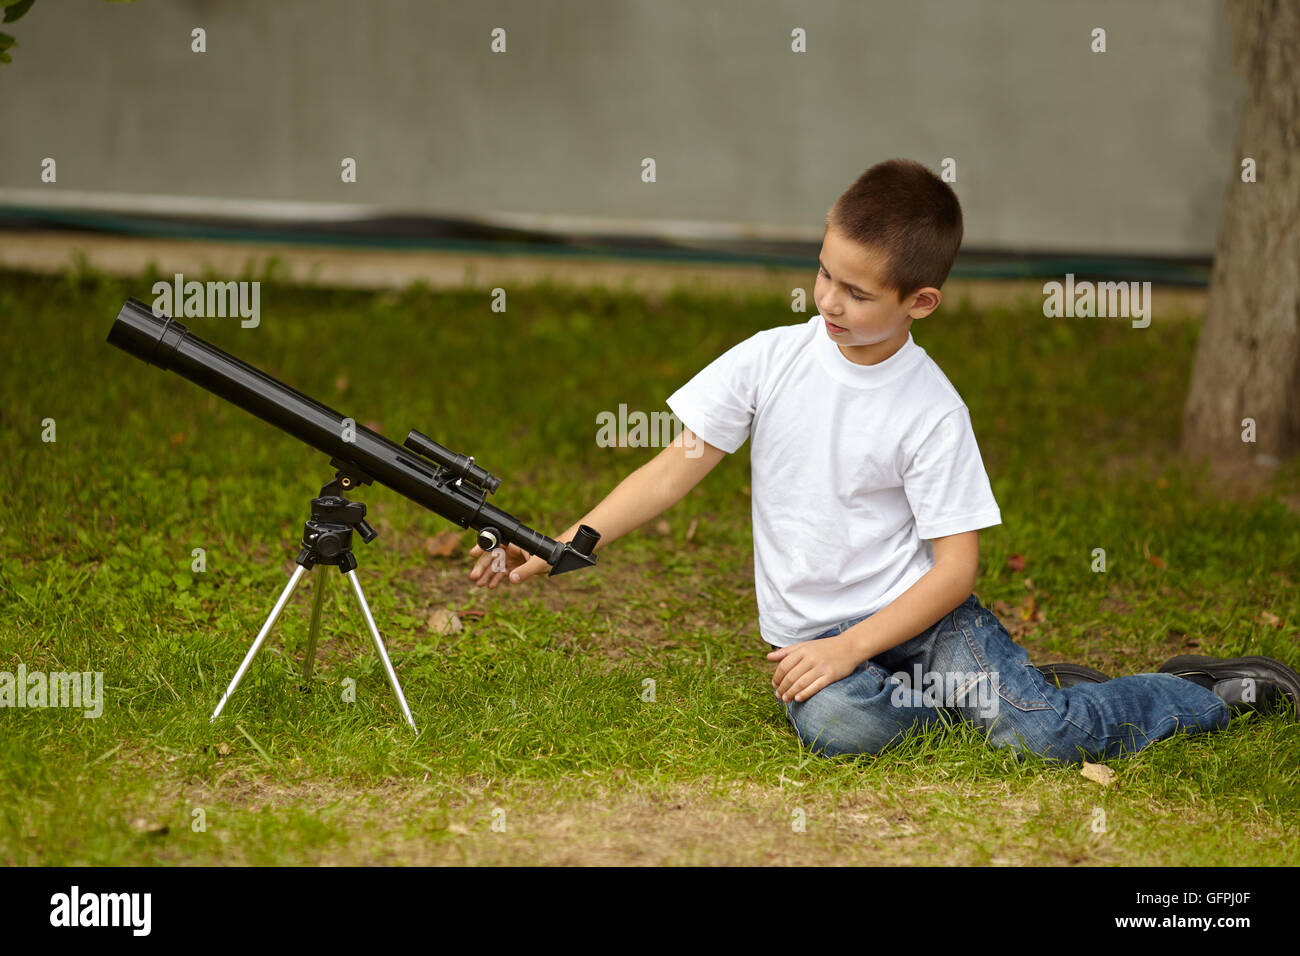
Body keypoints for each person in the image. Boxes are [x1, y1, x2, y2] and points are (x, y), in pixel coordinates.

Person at [468, 158, 1300, 765]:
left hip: (928, 621)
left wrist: (854, 646)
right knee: (840, 728)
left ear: (919, 302)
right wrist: (558, 544)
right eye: (824, 273)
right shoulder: (769, 359)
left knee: (1047, 739)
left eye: (858, 293)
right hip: (815, 637)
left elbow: (956, 570)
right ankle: (1007, 694)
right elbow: (671, 468)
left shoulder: (931, 408)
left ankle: (1194, 693)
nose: (829, 301)